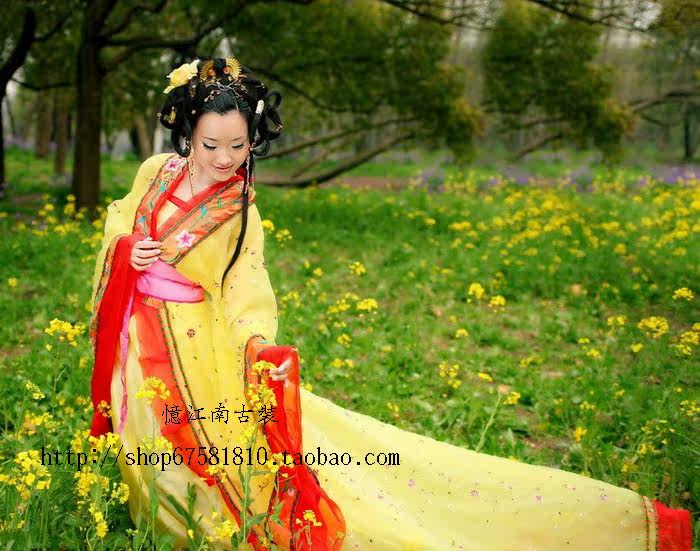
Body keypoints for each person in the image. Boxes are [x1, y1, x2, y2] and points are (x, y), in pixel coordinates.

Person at [88, 57, 693, 551]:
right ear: (187, 135)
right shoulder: (155, 172)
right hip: (138, 332)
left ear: (254, 140)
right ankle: (150, 517)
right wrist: (126, 247)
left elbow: (248, 285)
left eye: (238, 146)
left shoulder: (241, 212)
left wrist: (255, 342)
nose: (225, 159)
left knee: (212, 450)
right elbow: (121, 216)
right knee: (145, 432)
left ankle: (200, 529)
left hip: (200, 345)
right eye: (211, 145)